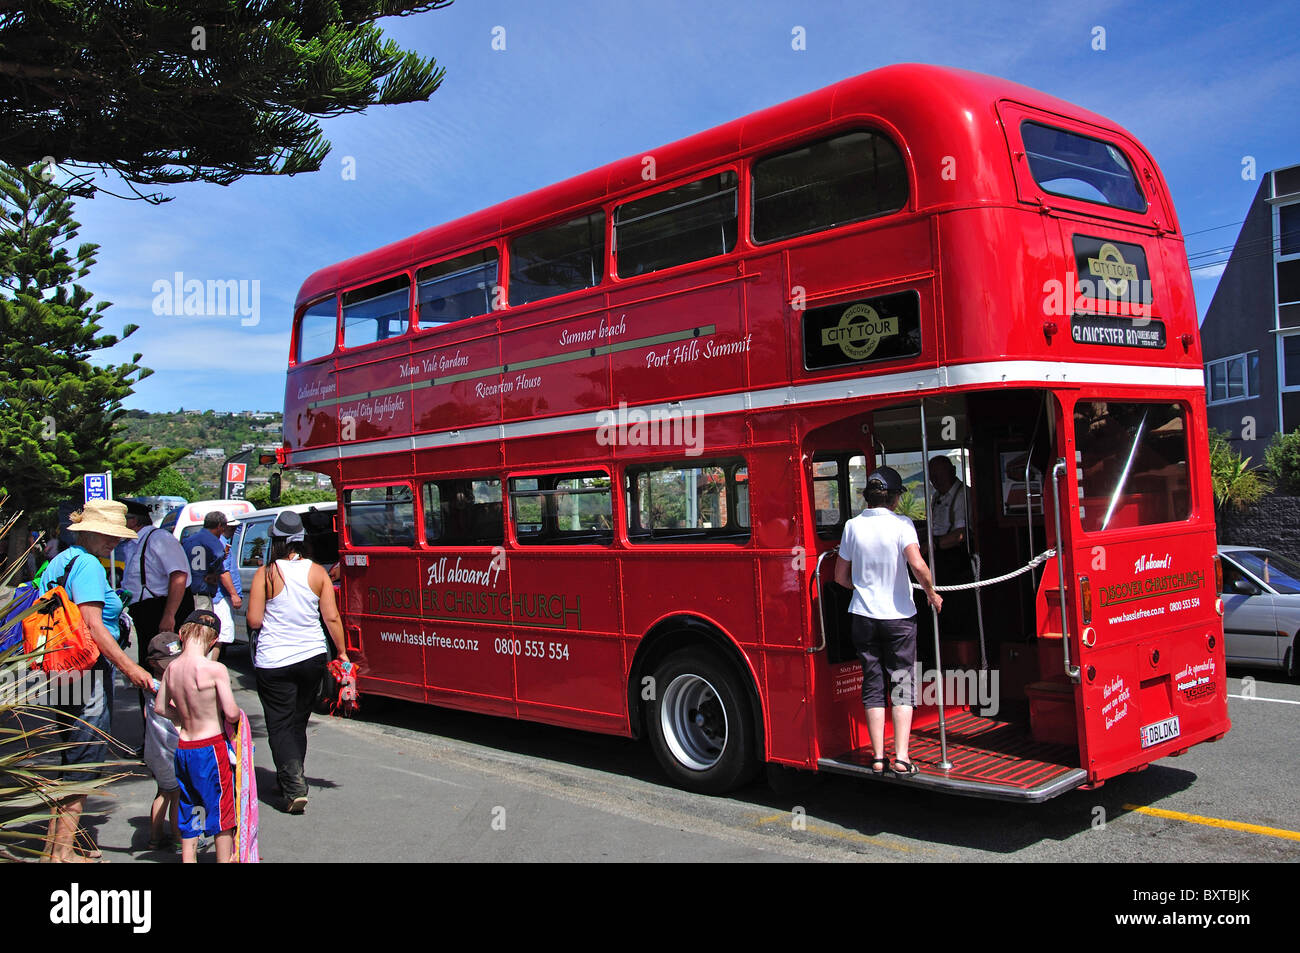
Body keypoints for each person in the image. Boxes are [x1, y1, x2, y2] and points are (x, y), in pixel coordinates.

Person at [39, 501, 154, 862]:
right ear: (89, 531)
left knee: (70, 757)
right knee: (84, 760)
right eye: (108, 536)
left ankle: (55, 848)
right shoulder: (88, 565)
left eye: (116, 537)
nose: (113, 543)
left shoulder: (61, 560)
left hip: (61, 669)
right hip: (87, 670)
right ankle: (61, 854)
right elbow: (92, 626)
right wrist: (129, 668)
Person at [834, 466, 941, 778]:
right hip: (898, 618)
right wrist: (931, 592)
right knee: (902, 685)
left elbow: (841, 577)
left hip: (863, 616)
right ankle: (902, 758)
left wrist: (864, 589)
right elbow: (918, 564)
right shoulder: (902, 524)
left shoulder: (852, 526)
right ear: (894, 498)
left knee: (873, 684)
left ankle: (878, 757)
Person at [246, 510, 349, 814]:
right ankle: (290, 775)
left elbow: (253, 620)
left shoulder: (266, 574)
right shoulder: (318, 572)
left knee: (279, 724)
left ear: (276, 541)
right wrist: (342, 652)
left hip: (274, 659)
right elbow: (331, 617)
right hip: (312, 657)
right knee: (298, 722)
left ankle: (293, 786)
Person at [155, 610, 239, 863]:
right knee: (220, 808)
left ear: (181, 635)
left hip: (184, 748)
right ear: (213, 641)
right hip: (211, 748)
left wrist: (179, 718)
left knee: (189, 804)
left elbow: (160, 708)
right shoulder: (215, 669)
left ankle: (188, 859)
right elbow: (232, 713)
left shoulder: (172, 668)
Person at [122, 501, 193, 727]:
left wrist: (169, 615)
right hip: (145, 612)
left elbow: (179, 575)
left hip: (161, 610)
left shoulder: (159, 539)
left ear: (133, 521)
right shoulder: (133, 543)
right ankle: (153, 737)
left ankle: (177, 732)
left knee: (167, 669)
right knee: (149, 670)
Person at [923, 454, 973, 639]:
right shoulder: (936, 497)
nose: (935, 479)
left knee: (954, 604)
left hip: (955, 557)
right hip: (937, 553)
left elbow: (961, 534)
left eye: (939, 474)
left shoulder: (962, 495)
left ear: (951, 471)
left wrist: (931, 546)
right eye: (932, 475)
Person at [142, 632, 183, 851]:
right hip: (169, 750)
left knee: (163, 792)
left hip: (155, 749)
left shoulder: (149, 684)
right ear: (152, 663)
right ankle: (178, 838)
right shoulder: (162, 686)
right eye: (168, 663)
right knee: (177, 795)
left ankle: (155, 837)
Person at [211, 516, 243, 656]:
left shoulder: (213, 542)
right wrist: (234, 594)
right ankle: (210, 667)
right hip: (220, 595)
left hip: (214, 595)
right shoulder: (221, 545)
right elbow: (223, 572)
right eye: (231, 527)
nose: (233, 530)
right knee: (220, 634)